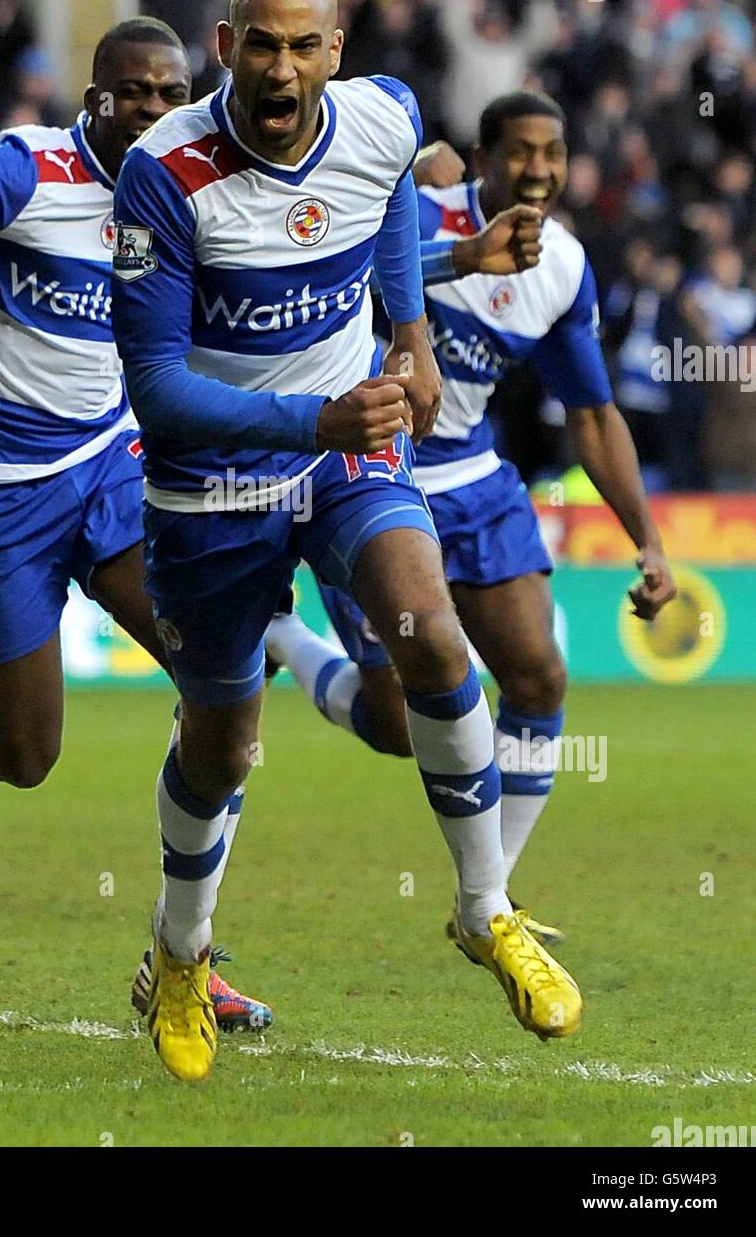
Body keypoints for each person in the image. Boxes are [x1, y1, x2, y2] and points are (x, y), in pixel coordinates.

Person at [110, 0, 582, 1084]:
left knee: (430, 628)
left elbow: (381, 218)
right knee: (221, 743)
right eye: (259, 45)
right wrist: (313, 416)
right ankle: (180, 953)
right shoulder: (161, 173)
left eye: (303, 46)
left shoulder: (381, 118)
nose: (281, 68)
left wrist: (409, 337)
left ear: (333, 53)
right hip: (213, 481)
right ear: (223, 49)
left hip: (346, 453)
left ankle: (482, 906)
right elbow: (155, 388)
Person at [0, 17, 270, 1033]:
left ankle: (184, 954)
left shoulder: (194, 188)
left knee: (222, 685)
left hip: (109, 470)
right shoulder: (26, 172)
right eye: (133, 93)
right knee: (23, 756)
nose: (154, 110)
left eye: (169, 94)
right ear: (94, 97)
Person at [265, 89, 678, 945]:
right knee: (398, 728)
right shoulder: (417, 206)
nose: (538, 170)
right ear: (482, 158)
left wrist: (648, 542)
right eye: (520, 152)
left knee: (538, 676)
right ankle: (283, 639)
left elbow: (594, 415)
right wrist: (451, 230)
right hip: (370, 470)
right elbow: (352, 266)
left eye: (553, 154)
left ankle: (489, 905)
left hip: (476, 481)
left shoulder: (562, 266)